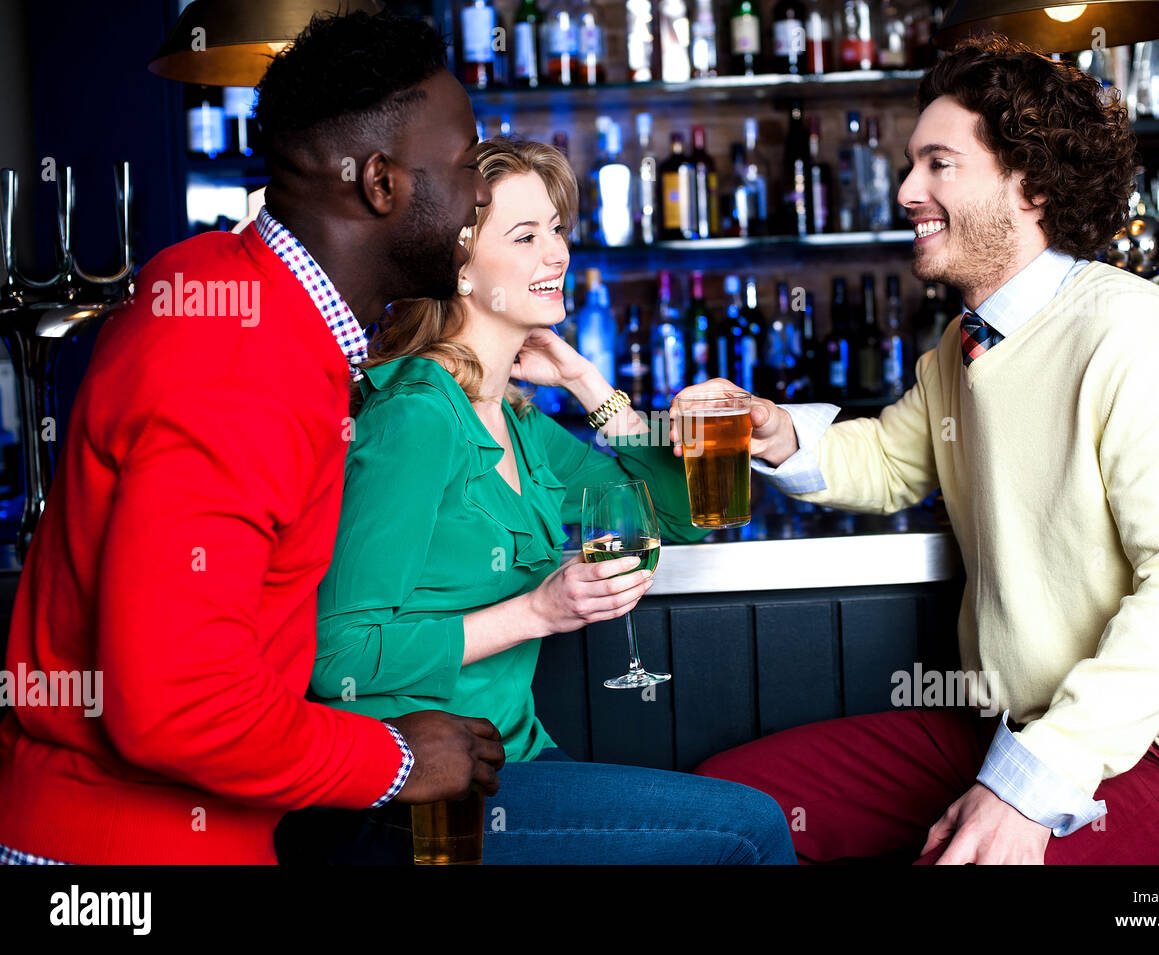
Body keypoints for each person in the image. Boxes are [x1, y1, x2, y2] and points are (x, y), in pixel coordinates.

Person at [679, 36, 1159, 865]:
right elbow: (888, 458)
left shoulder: (1139, 336)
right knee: (730, 809)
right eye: (913, 164)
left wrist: (1031, 782)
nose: (907, 190)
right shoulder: (965, 345)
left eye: (938, 163)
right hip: (998, 726)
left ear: (1033, 185)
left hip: (1152, 757)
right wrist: (776, 427)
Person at [0, 12, 506, 865]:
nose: (482, 192)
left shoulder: (215, 285)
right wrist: (397, 759)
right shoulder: (241, 358)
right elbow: (178, 703)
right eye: (464, 164)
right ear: (380, 183)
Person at [273, 137, 796, 865]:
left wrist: (588, 382)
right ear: (458, 265)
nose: (558, 253)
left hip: (516, 763)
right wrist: (535, 611)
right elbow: (335, 656)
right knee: (754, 828)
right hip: (410, 802)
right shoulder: (418, 417)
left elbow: (675, 514)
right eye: (526, 235)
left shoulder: (514, 419)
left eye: (558, 229)